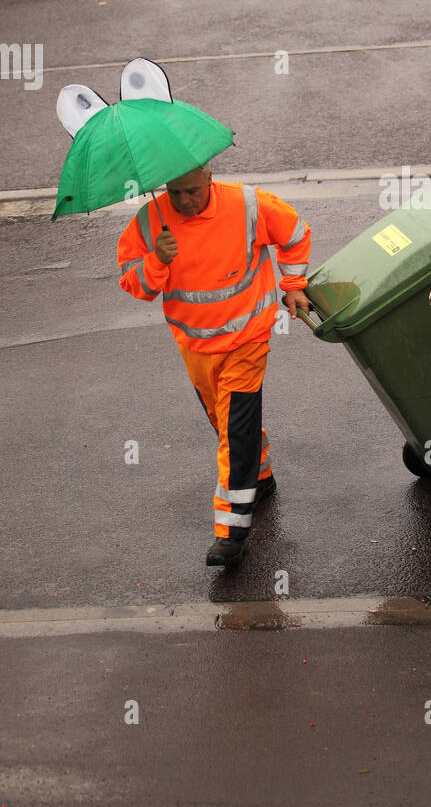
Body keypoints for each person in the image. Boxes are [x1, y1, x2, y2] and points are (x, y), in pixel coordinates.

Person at [116, 163, 311, 567]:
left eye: (193, 191)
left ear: (210, 177)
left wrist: (293, 286)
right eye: (176, 193)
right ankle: (260, 476)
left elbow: (295, 234)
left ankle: (231, 531)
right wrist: (157, 260)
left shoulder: (249, 205)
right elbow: (135, 285)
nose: (185, 201)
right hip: (196, 347)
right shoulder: (150, 221)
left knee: (234, 434)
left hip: (247, 341)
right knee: (225, 424)